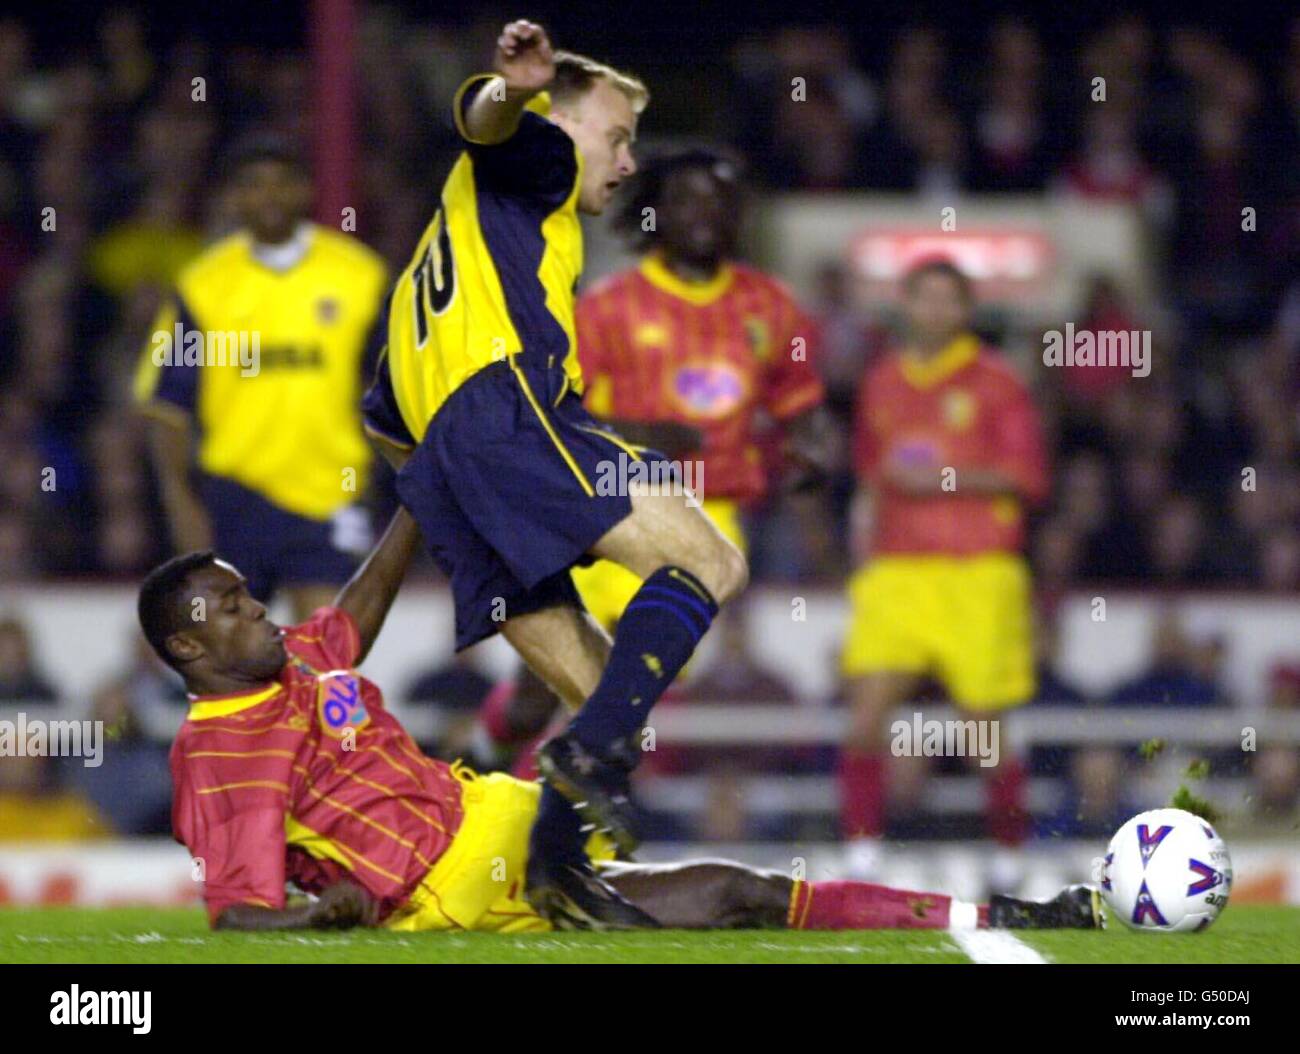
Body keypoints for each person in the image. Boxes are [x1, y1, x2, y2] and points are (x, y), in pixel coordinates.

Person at [139, 515, 1101, 934]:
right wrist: (316, 914)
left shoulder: (302, 656)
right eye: (226, 610)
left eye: (245, 595)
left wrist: (417, 502)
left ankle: (1007, 915)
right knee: (725, 887)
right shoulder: (218, 753)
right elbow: (235, 910)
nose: (254, 610)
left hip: (494, 820)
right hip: (451, 889)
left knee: (741, 892)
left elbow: (361, 609)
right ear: (186, 652)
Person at [360, 21, 745, 919]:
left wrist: (456, 507)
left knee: (606, 695)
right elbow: (485, 122)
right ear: (563, 126)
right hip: (508, 413)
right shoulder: (539, 163)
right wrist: (513, 88)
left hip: (443, 473)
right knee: (713, 561)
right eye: (617, 137)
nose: (626, 162)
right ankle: (577, 771)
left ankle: (555, 871)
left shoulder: (444, 251)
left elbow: (383, 416)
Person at [473, 145, 834, 764]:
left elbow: (803, 406)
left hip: (709, 514)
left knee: (624, 679)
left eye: (719, 199)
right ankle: (492, 750)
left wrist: (809, 448)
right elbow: (547, 414)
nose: (704, 212)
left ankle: (560, 810)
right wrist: (637, 434)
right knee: (555, 686)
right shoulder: (609, 309)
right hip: (609, 502)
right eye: (686, 198)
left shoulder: (773, 308)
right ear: (654, 214)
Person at [839, 256, 1048, 881]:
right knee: (867, 711)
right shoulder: (880, 382)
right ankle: (862, 848)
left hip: (975, 570)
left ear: (966, 310)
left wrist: (940, 481)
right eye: (922, 297)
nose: (934, 310)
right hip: (898, 571)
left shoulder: (997, 382)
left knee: (982, 725)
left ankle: (1012, 852)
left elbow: (1029, 478)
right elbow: (871, 475)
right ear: (905, 304)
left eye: (947, 300)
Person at [134, 135, 389, 620]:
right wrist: (181, 502)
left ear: (305, 190)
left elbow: (395, 386)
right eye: (253, 185)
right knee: (235, 656)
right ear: (233, 197)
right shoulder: (203, 286)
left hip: (330, 490)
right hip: (234, 495)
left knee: (328, 652)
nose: (268, 196)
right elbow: (168, 404)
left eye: (281, 183)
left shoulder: (359, 275)